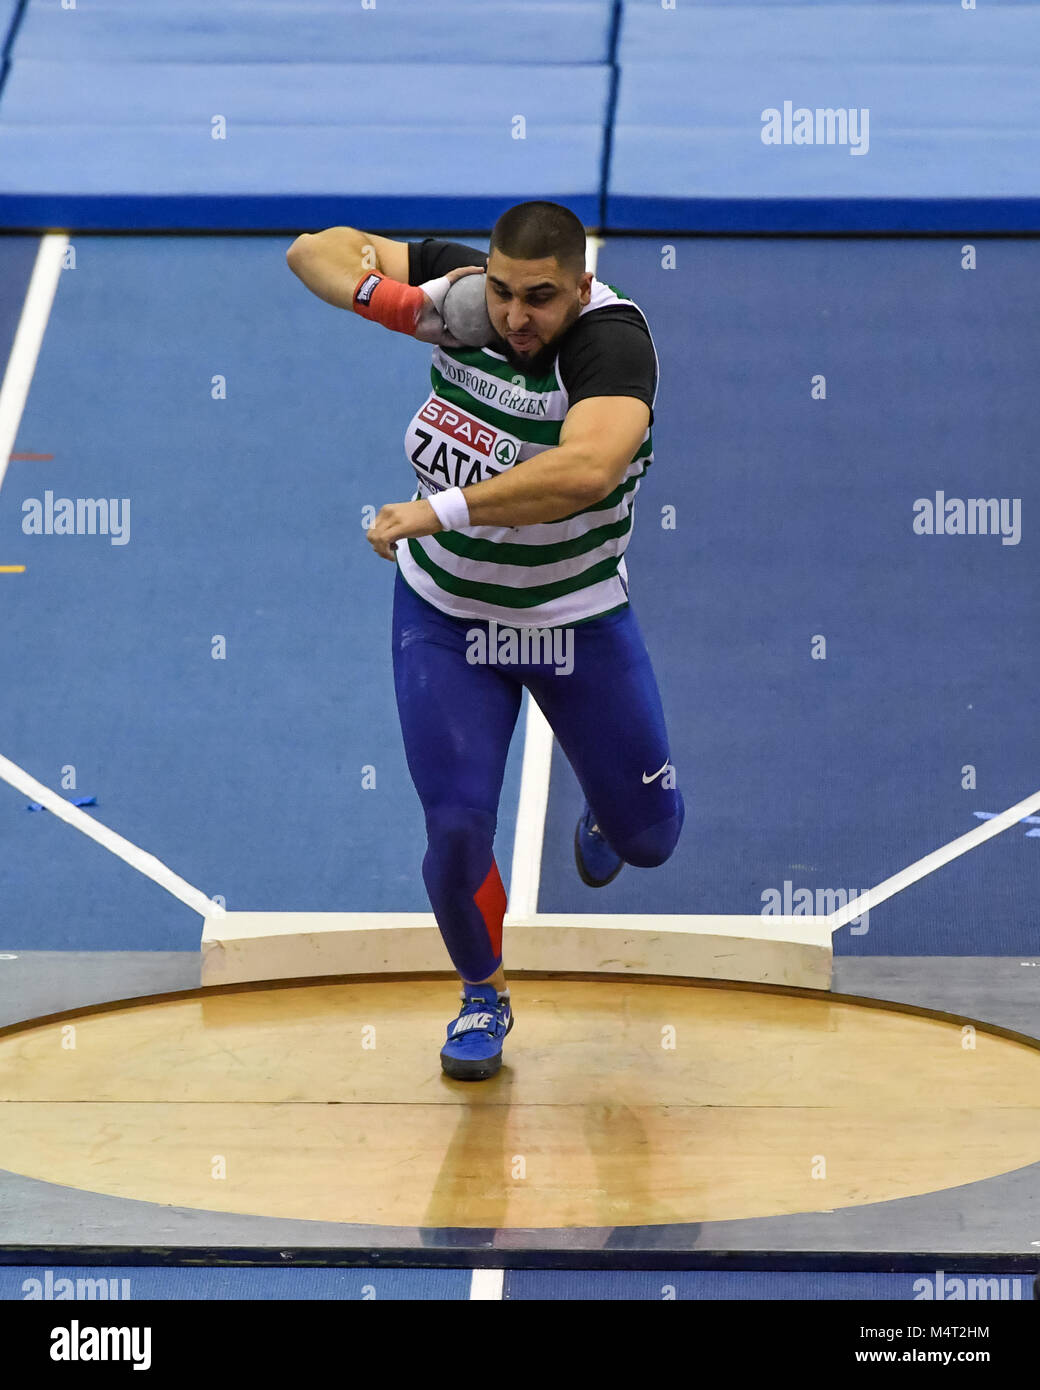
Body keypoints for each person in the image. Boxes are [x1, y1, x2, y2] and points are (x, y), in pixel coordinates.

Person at [287, 201, 684, 1081]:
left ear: (580, 287)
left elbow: (583, 472)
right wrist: (397, 302)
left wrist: (439, 510)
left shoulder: (611, 346)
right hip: (447, 618)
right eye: (503, 293)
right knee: (457, 825)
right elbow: (311, 250)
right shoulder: (466, 295)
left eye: (540, 298)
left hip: (571, 620)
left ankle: (611, 816)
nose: (515, 316)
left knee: (653, 837)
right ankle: (482, 992)